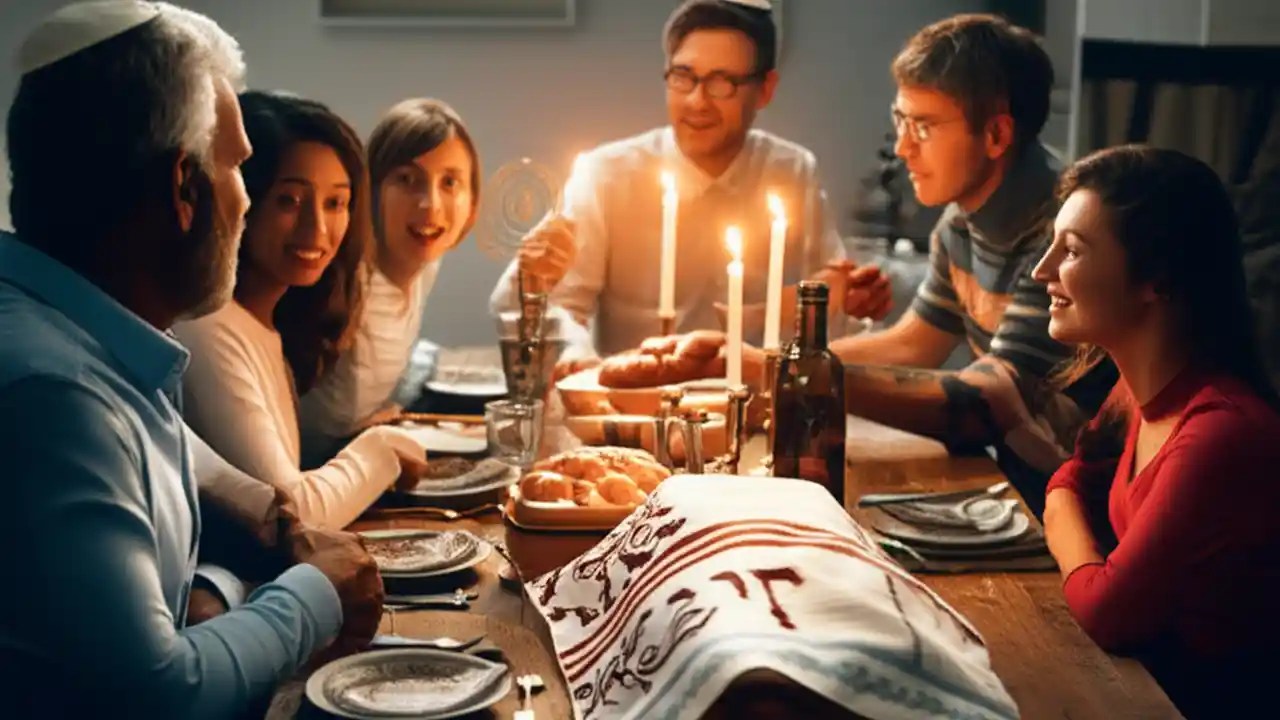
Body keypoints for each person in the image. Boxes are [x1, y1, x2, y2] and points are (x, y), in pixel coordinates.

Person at [0, 3, 379, 716]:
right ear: (184, 188)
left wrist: (217, 592)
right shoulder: (54, 394)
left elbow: (154, 604)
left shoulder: (99, 340)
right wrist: (314, 593)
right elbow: (158, 696)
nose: (243, 199)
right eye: (237, 167)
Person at [734, 13, 1113, 516]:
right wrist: (773, 364)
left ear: (997, 135)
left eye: (924, 126)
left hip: (1092, 509)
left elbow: (986, 406)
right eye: (900, 120)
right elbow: (915, 342)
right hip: (1029, 488)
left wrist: (780, 371)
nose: (902, 147)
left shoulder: (1060, 234)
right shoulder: (960, 221)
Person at [1037, 145, 1280, 718]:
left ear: (1157, 278)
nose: (1041, 271)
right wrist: (1065, 506)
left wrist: (1060, 511)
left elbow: (1107, 612)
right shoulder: (1133, 396)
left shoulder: (1222, 433)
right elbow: (1069, 481)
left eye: (1071, 251)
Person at [489, 0, 870, 365]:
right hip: (635, 404)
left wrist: (852, 298)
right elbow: (560, 305)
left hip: (754, 401)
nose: (697, 101)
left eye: (722, 82)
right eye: (683, 77)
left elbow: (836, 306)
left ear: (765, 89)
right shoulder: (607, 174)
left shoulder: (791, 172)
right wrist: (579, 363)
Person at [176, 91, 429, 531]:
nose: (317, 228)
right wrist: (381, 447)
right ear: (242, 199)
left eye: (335, 203)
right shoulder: (208, 328)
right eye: (290, 201)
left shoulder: (266, 322)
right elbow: (294, 513)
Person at [297, 98, 481, 464]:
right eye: (406, 180)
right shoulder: (338, 278)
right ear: (371, 188)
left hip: (363, 455)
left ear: (472, 196)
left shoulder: (425, 259)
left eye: (450, 182)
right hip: (312, 475)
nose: (430, 205)